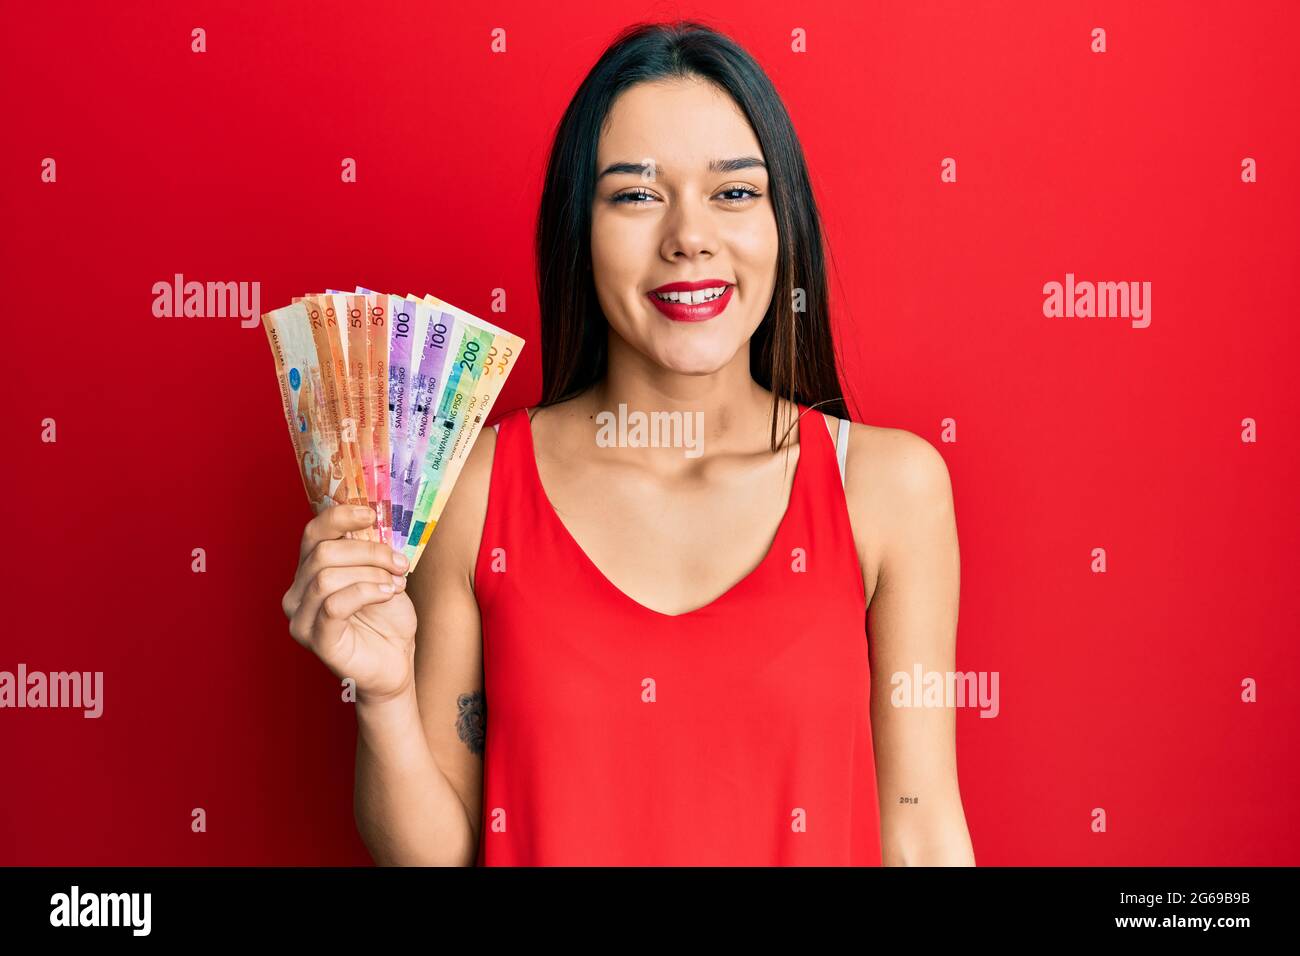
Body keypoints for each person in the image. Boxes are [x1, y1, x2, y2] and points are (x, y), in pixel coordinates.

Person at [280, 20, 973, 866]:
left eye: (734, 192)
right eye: (637, 195)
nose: (688, 236)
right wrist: (383, 694)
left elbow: (921, 827)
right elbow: (440, 855)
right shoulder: (477, 488)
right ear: (580, 231)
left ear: (783, 222)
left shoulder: (891, 489)